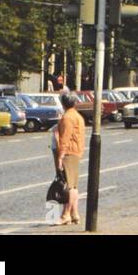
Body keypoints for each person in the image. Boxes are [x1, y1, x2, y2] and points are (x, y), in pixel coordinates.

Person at [51, 92, 84, 225]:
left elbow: (65, 138)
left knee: (67, 186)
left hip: (69, 152)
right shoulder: (77, 116)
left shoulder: (68, 117)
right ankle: (74, 213)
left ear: (63, 103)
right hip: (75, 151)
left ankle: (65, 214)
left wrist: (61, 156)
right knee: (73, 185)